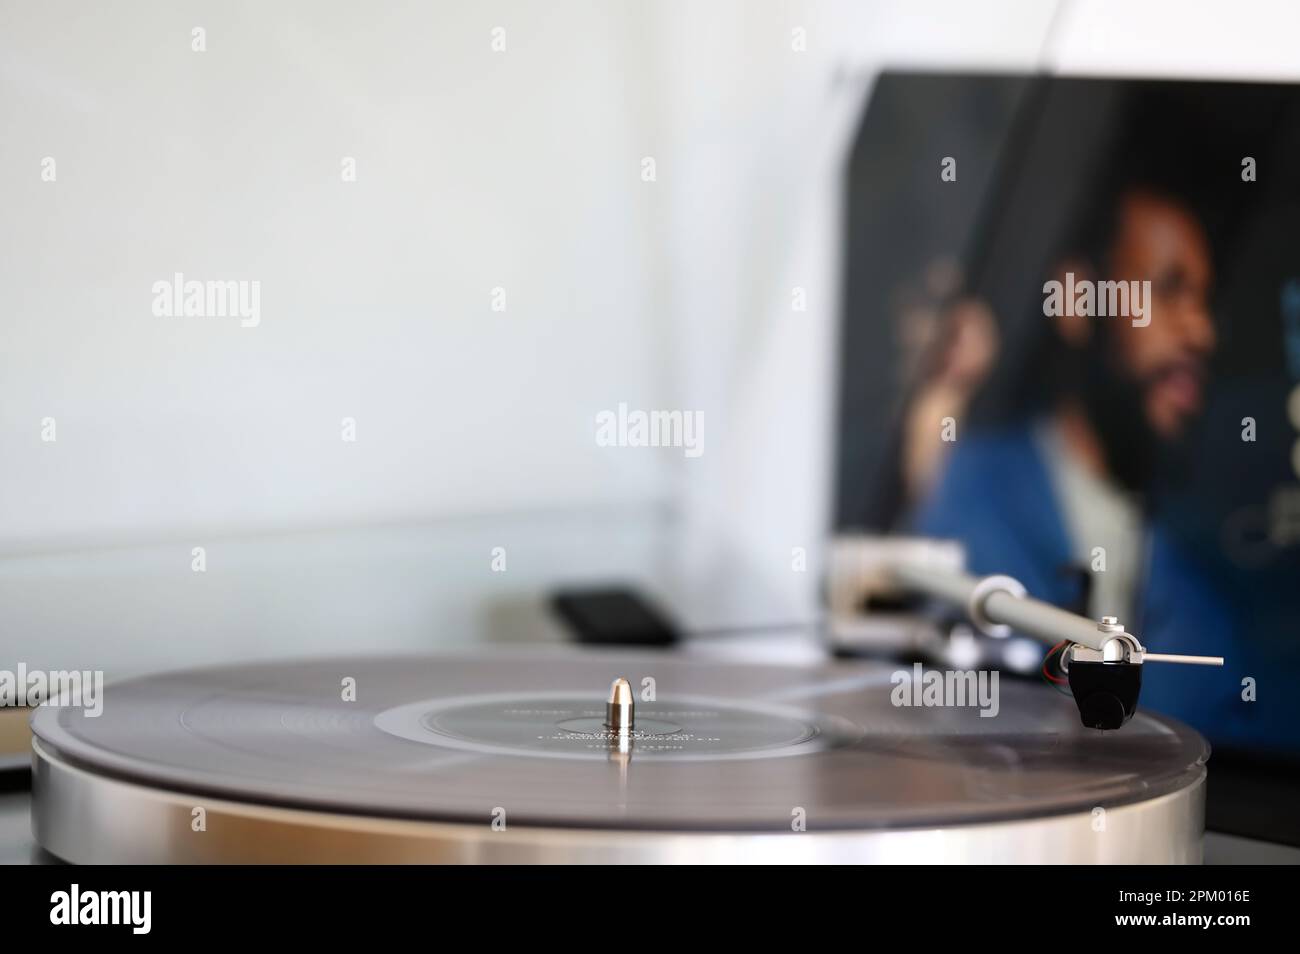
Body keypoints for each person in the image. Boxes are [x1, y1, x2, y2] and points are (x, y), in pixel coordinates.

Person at [906, 181, 1257, 743]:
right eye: (1168, 291)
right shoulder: (964, 492)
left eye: (1205, 301)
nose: (1201, 331)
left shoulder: (1207, 593)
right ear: (1076, 301)